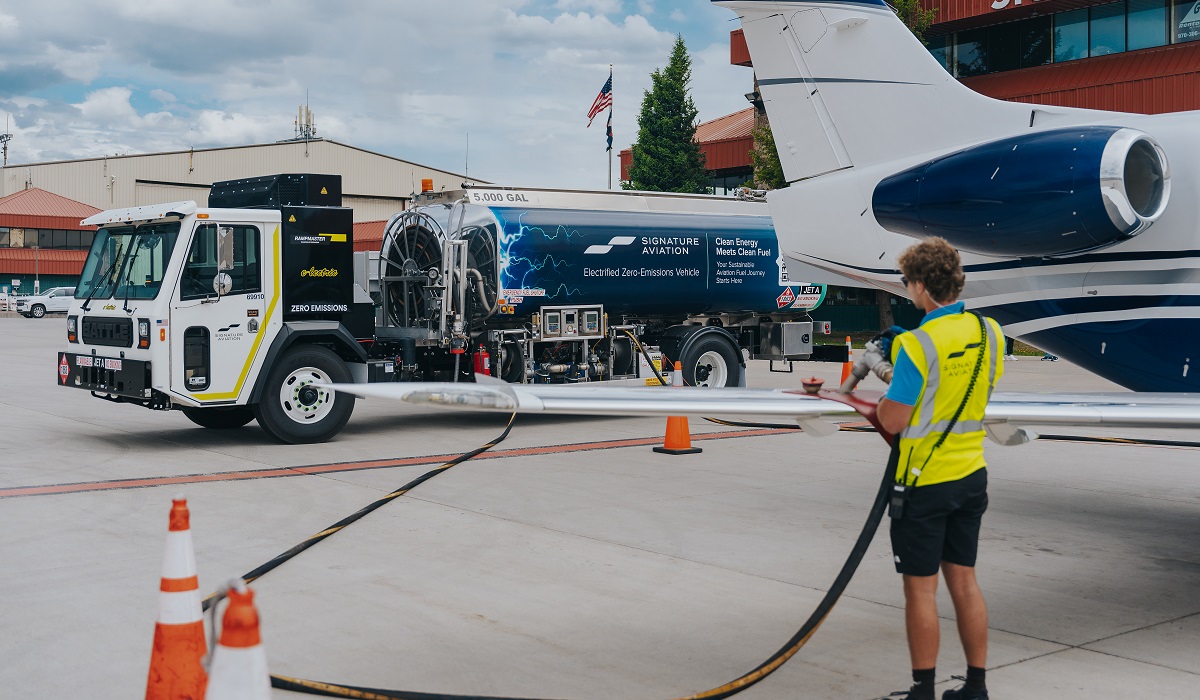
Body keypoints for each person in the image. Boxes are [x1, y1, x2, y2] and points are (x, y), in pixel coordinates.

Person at [861, 237, 1004, 700]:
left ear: (921, 285)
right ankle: (975, 688)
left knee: (921, 592)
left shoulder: (918, 345)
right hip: (971, 476)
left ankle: (922, 691)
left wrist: (883, 378)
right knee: (964, 580)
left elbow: (894, 419)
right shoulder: (990, 334)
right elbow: (975, 389)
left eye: (906, 283)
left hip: (924, 484)